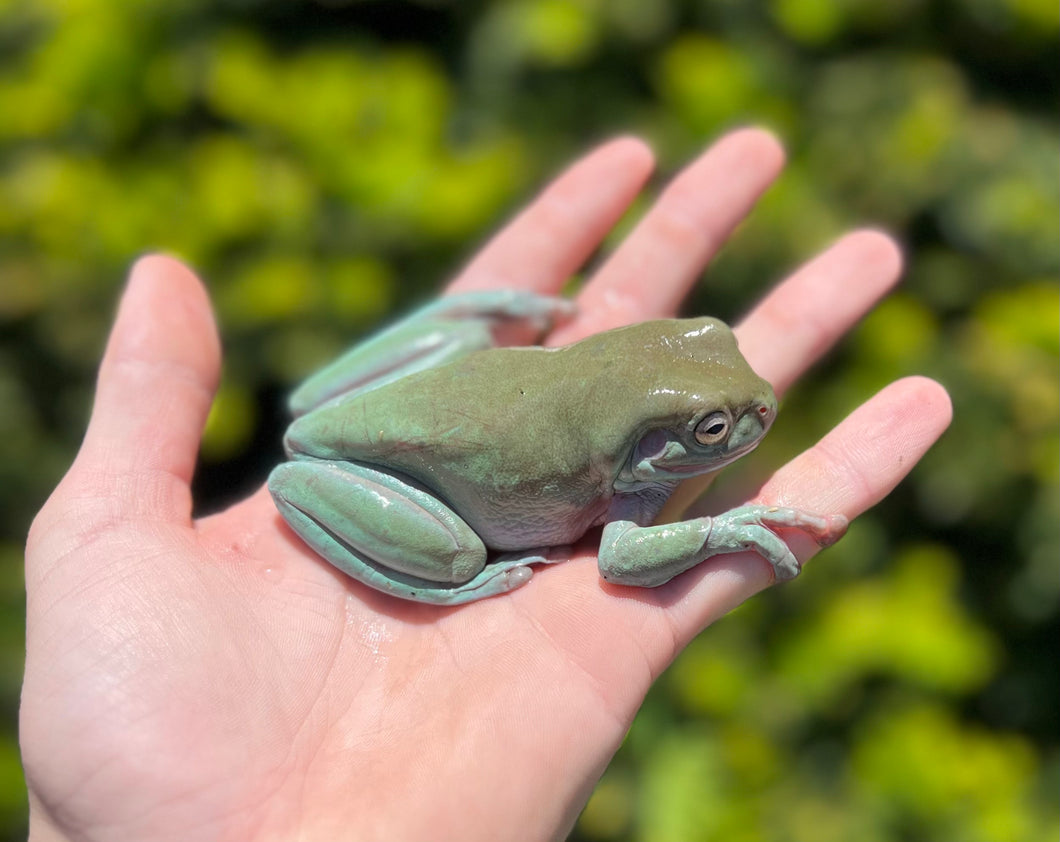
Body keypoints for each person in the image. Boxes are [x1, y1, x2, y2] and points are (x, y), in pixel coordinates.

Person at [22, 129, 951, 842]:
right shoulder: (626, 480)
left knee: (426, 371)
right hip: (409, 478)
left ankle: (456, 321)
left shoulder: (623, 419)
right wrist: (727, 527)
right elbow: (624, 558)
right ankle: (454, 556)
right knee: (464, 546)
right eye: (715, 429)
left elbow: (618, 544)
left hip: (459, 389)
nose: (751, 413)